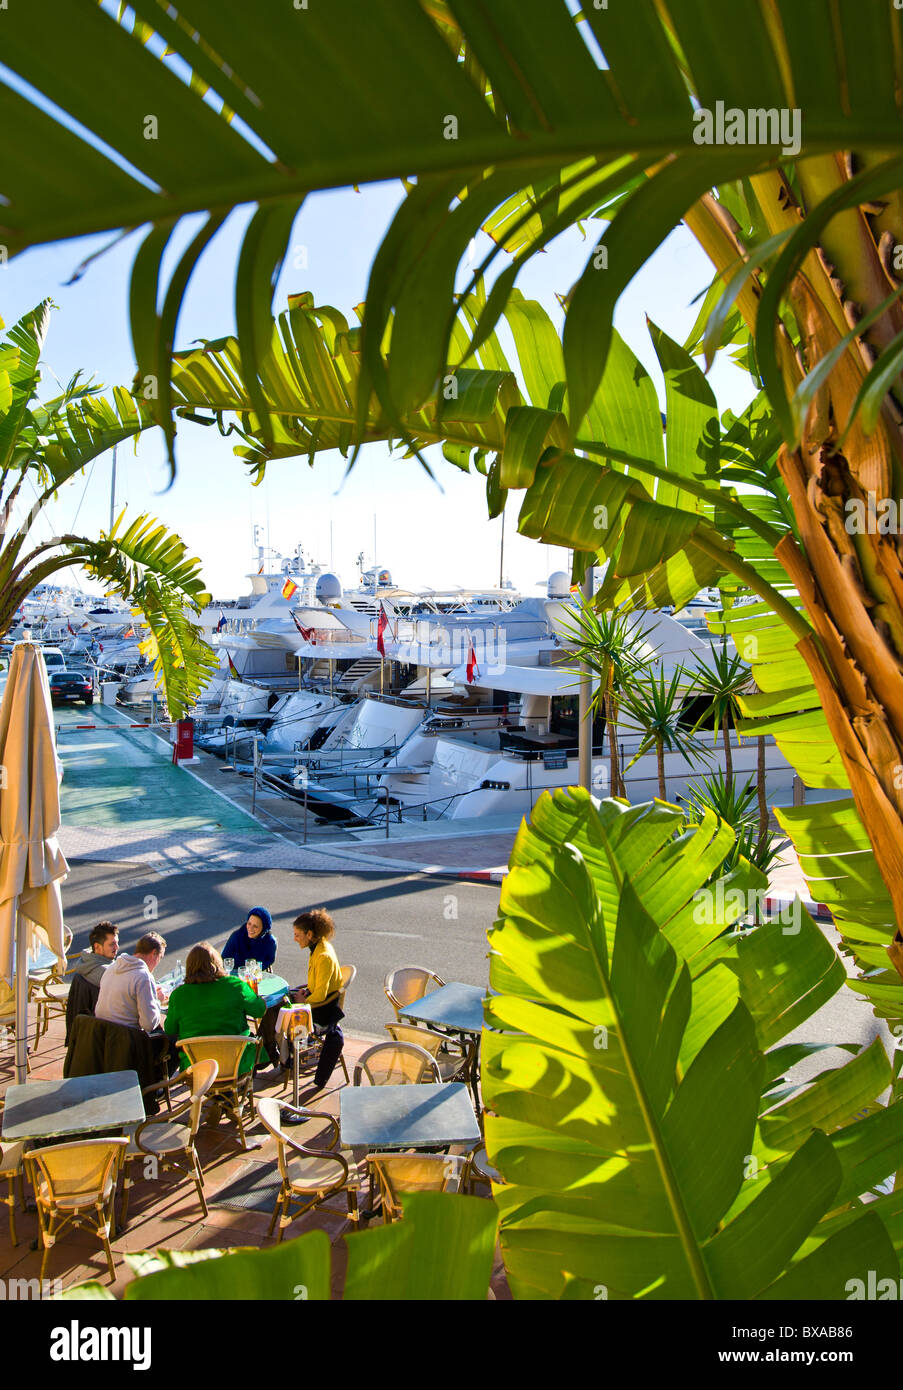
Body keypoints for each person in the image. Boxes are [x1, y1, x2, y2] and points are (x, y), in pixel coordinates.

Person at [259, 908, 345, 1105]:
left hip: (320, 1011)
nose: (295, 939)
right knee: (275, 1005)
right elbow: (317, 987)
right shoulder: (318, 948)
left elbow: (321, 995)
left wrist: (301, 999)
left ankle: (270, 1053)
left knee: (274, 1008)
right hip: (313, 1000)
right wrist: (303, 993)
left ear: (310, 934)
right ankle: (270, 1052)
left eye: (298, 935)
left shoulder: (323, 956)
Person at [164, 942, 265, 1075]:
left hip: (196, 1068)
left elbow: (170, 1029)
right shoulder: (235, 986)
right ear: (217, 963)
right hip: (237, 1065)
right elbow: (259, 1010)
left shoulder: (179, 995)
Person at [96, 931, 167, 1033]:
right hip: (127, 1039)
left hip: (102, 1036)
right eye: (160, 957)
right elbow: (149, 1024)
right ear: (154, 953)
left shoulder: (111, 968)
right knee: (170, 1039)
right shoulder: (143, 977)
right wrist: (157, 1001)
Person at [223, 907, 277, 972]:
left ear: (264, 929)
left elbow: (269, 960)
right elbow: (223, 960)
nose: (250, 929)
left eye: (255, 926)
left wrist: (261, 967)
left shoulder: (270, 942)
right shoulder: (237, 937)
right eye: (249, 923)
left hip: (255, 976)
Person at [72, 920, 119, 989]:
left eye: (117, 943)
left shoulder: (84, 961)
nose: (117, 947)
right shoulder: (106, 973)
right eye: (112, 944)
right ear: (97, 946)